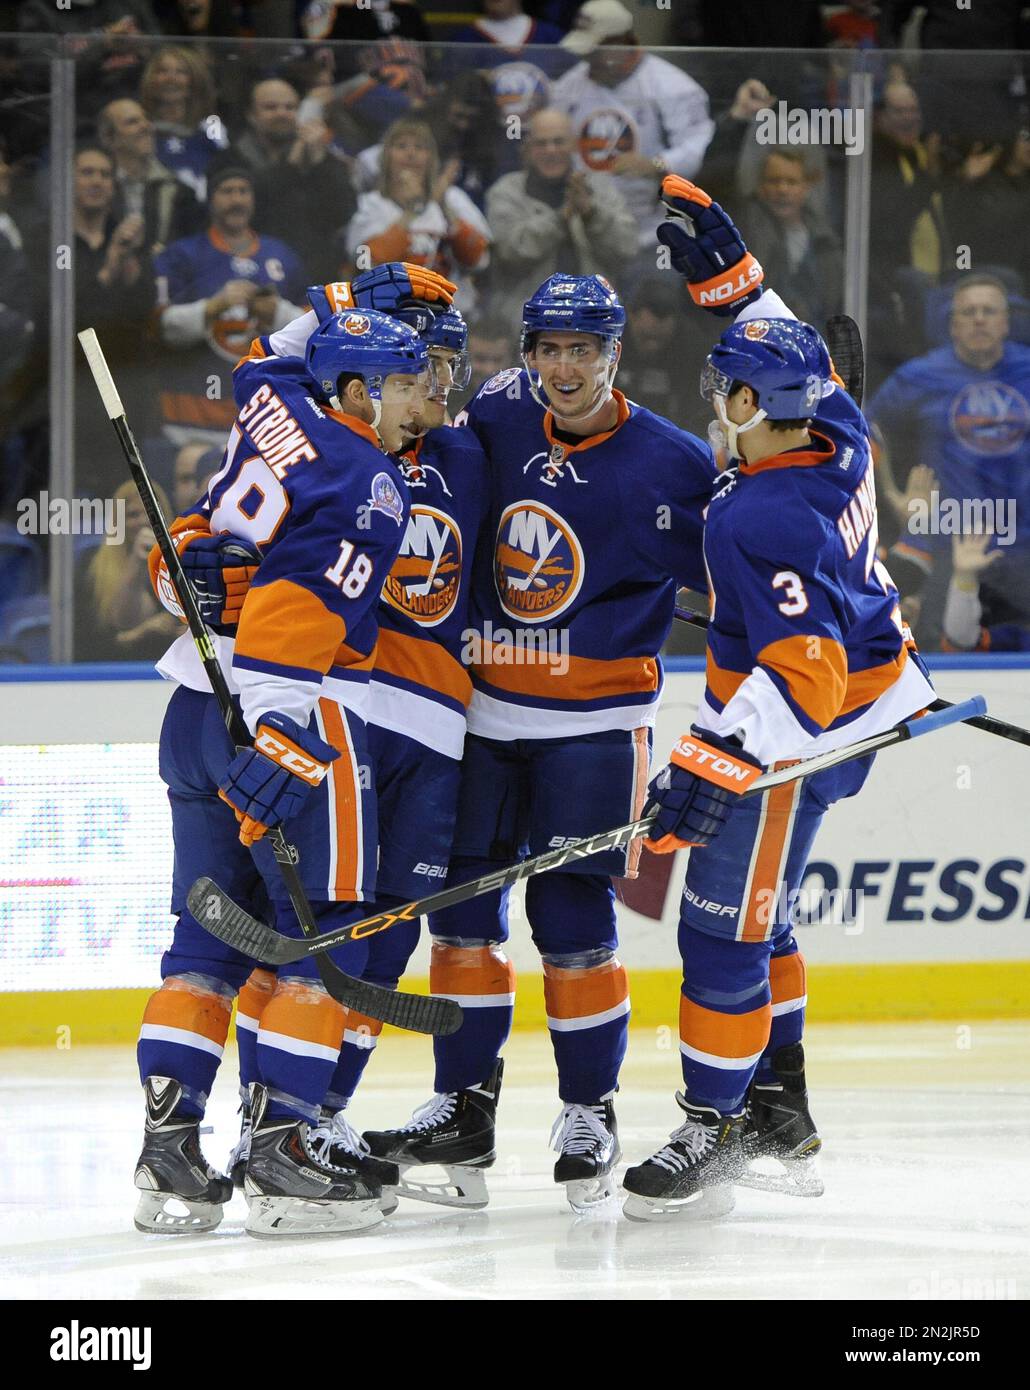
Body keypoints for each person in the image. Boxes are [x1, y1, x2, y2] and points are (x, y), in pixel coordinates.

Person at [359, 273, 717, 1212]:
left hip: (593, 732)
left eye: (582, 350)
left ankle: (589, 1110)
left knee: (570, 926)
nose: (563, 369)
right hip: (479, 721)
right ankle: (463, 1110)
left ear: (614, 354)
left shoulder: (673, 464)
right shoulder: (496, 417)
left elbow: (738, 582)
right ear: (524, 355)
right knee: (464, 922)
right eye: (546, 349)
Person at [618, 175, 937, 1221]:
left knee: (718, 933)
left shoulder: (760, 518)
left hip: (798, 735)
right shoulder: (837, 429)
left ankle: (717, 1124)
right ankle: (782, 1104)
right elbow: (783, 334)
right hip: (874, 703)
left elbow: (803, 669)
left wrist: (716, 761)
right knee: (769, 915)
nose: (717, 395)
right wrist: (731, 273)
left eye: (731, 388)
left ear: (761, 407)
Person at [135, 307, 432, 1239]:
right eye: (402, 384)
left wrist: (339, 303)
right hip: (286, 712)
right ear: (354, 390)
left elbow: (270, 352)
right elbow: (293, 617)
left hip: (191, 708)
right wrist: (285, 735)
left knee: (207, 936)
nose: (417, 405)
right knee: (327, 934)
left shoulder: (271, 404)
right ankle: (285, 1151)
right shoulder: (369, 482)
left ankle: (170, 1152)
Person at [223, 269, 492, 1192]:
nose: (439, 388)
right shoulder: (330, 436)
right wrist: (334, 299)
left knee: (384, 934)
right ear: (367, 370)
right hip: (345, 701)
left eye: (446, 368)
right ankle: (277, 1128)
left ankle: (319, 1122)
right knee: (326, 923)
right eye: (421, 367)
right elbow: (259, 377)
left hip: (438, 720)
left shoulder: (467, 446)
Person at [866, 273, 1030, 642]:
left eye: (989, 311)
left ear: (1006, 322)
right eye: (968, 312)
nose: (979, 319)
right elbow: (864, 431)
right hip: (946, 548)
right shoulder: (920, 375)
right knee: (946, 657)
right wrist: (889, 494)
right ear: (952, 325)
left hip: (1024, 550)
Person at [152, 163, 306, 444]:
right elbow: (160, 328)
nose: (236, 199)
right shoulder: (182, 256)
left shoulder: (281, 256)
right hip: (192, 418)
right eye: (227, 192)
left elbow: (310, 333)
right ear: (210, 199)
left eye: (243, 191)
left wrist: (277, 312)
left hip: (266, 420)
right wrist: (213, 307)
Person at [552, 0, 714, 256]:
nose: (587, 59)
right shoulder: (569, 86)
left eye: (595, 51)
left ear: (620, 42)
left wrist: (657, 165)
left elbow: (701, 145)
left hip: (654, 235)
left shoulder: (673, 87)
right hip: (584, 235)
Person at [485, 107, 638, 326]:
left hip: (594, 318)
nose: (550, 150)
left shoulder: (600, 188)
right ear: (527, 149)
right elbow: (510, 250)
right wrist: (560, 219)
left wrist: (591, 214)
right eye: (541, 143)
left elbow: (626, 248)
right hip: (527, 320)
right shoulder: (506, 192)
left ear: (574, 145)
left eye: (559, 142)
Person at [345, 119, 491, 298]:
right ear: (386, 158)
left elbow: (479, 260)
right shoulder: (370, 204)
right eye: (401, 146)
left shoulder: (453, 198)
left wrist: (444, 208)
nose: (411, 153)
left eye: (420, 147)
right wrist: (412, 212)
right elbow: (366, 264)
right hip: (390, 311)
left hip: (451, 309)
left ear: (431, 159)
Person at [227, 77, 356, 280]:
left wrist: (320, 161)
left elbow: (345, 212)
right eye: (271, 107)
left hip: (316, 275)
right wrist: (290, 166)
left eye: (290, 107)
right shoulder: (232, 158)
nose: (282, 113)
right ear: (251, 115)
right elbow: (252, 209)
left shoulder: (322, 158)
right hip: (252, 269)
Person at [736, 149, 843, 330]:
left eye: (791, 182)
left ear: (806, 187)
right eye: (774, 181)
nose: (782, 190)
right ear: (760, 187)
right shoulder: (743, 232)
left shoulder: (825, 238)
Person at [76, 480, 181, 662]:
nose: (144, 521)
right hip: (116, 671)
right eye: (133, 514)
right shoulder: (92, 566)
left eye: (151, 511)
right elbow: (85, 642)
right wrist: (140, 632)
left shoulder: (184, 561)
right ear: (117, 521)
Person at [97, 97, 196, 256]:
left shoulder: (181, 192)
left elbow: (192, 247)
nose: (146, 126)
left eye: (146, 119)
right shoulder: (96, 188)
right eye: (132, 122)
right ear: (109, 138)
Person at [138, 44, 228, 202]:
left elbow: (227, 170)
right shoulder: (140, 127)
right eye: (162, 71)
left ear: (195, 80)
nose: (171, 78)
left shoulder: (212, 126)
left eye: (181, 72)